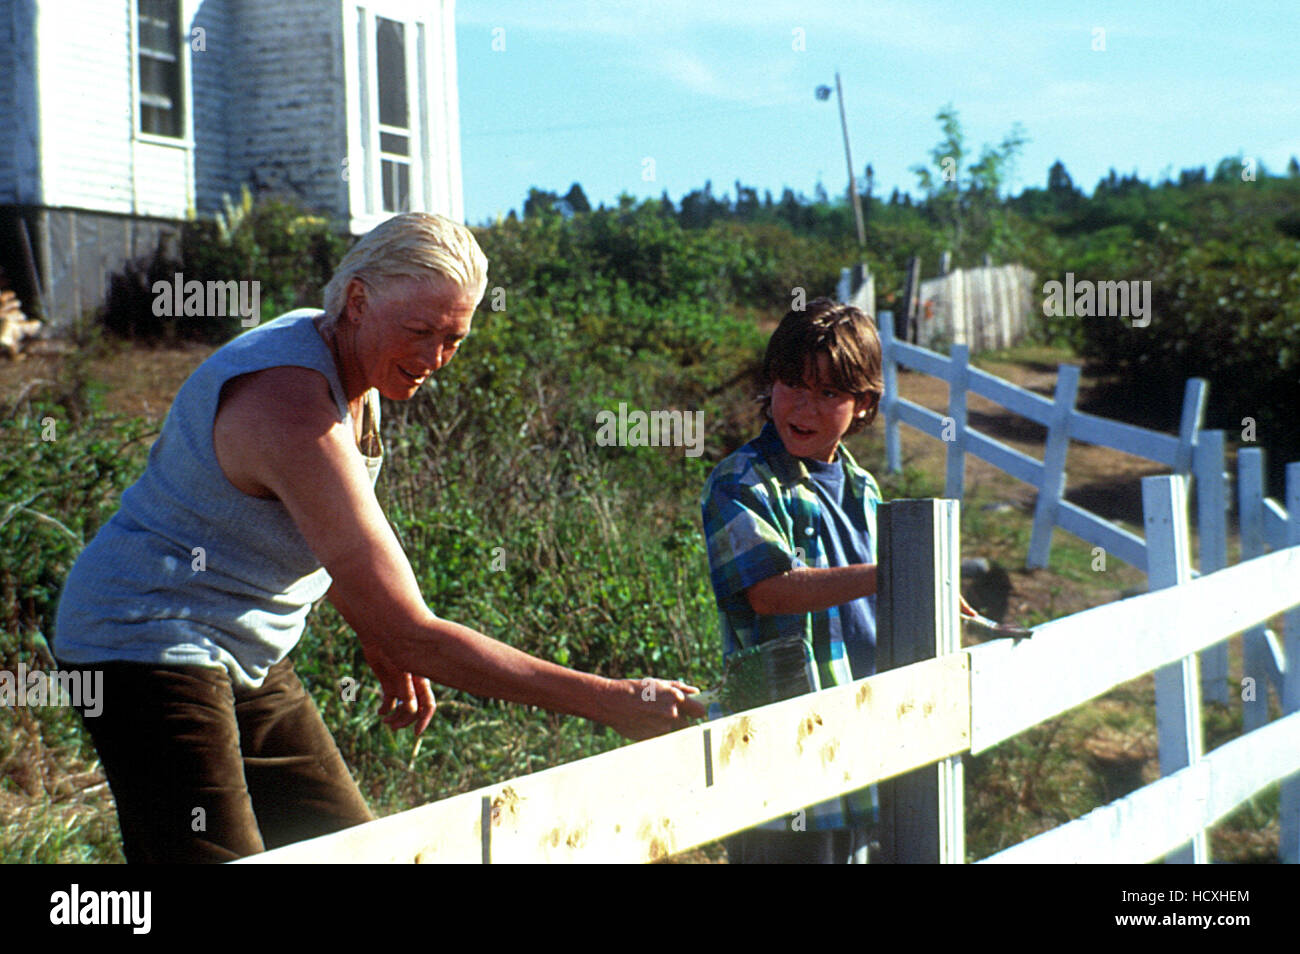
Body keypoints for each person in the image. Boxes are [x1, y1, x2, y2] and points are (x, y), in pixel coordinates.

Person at [52, 212, 704, 863]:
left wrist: (374, 627)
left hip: (244, 639)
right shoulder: (290, 402)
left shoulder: (354, 358)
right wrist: (612, 700)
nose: (433, 360)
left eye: (453, 338)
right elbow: (415, 630)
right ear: (359, 301)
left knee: (349, 849)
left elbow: (328, 531)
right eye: (420, 332)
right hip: (143, 633)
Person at [700, 297, 886, 864]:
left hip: (866, 739)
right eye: (791, 385)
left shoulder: (865, 490)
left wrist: (924, 591)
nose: (803, 407)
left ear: (863, 405)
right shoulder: (742, 482)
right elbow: (769, 590)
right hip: (782, 747)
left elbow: (877, 599)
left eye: (829, 393)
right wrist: (892, 575)